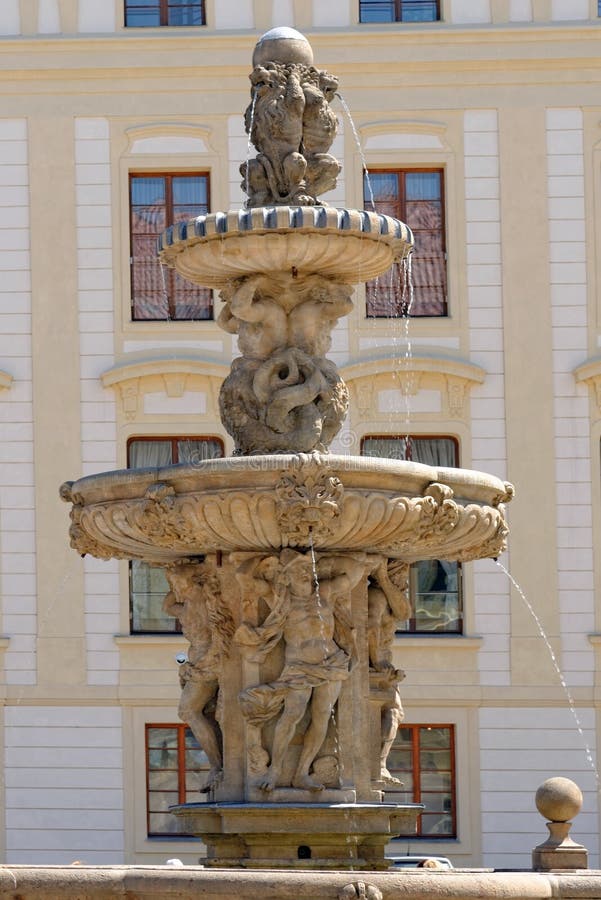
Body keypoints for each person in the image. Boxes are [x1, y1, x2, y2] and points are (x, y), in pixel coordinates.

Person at [237, 549, 366, 791]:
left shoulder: (325, 592)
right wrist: (257, 558)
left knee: (321, 718)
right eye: (299, 570)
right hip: (298, 667)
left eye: (308, 569)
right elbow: (243, 578)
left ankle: (301, 773)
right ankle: (275, 771)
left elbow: (357, 570)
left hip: (332, 664)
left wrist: (329, 562)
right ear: (286, 577)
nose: (306, 573)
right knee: (292, 715)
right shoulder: (280, 599)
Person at [164, 560, 234, 793]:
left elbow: (221, 634)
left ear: (190, 581)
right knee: (202, 712)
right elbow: (167, 607)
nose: (174, 587)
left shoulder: (206, 603)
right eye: (172, 583)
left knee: (188, 710)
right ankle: (221, 762)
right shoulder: (188, 604)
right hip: (195, 663)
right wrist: (175, 579)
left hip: (208, 665)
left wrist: (208, 660)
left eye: (177, 582)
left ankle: (217, 765)